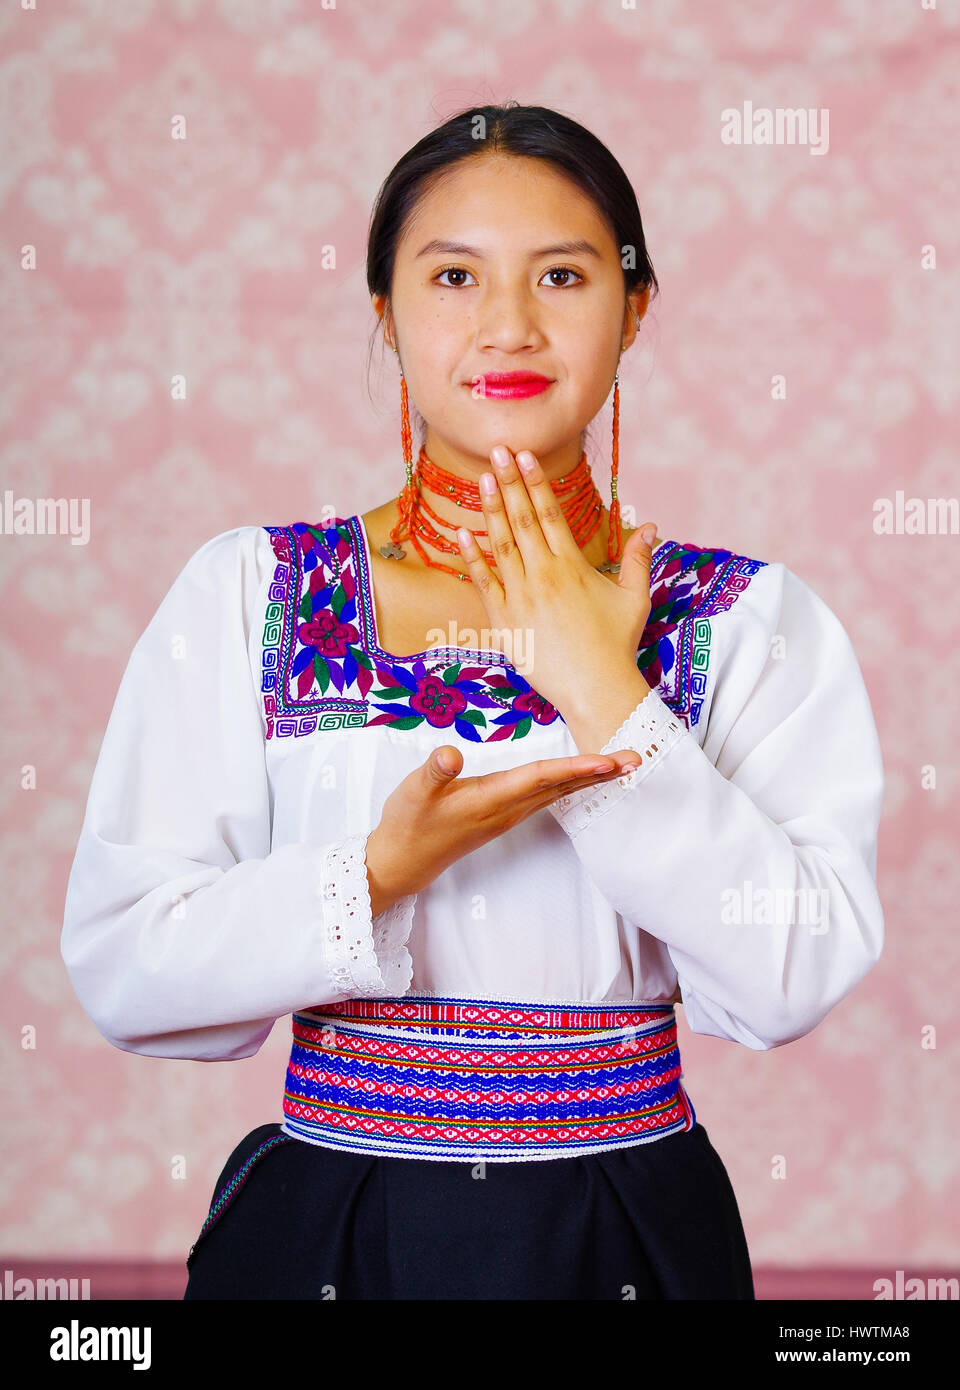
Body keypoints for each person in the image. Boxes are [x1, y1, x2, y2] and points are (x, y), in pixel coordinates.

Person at [60, 102, 885, 1301]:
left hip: (629, 1226)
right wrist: (374, 877)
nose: (509, 325)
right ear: (385, 314)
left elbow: (791, 974)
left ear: (636, 308)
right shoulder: (253, 593)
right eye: (453, 276)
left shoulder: (747, 618)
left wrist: (604, 688)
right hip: (331, 1225)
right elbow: (127, 964)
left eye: (563, 274)